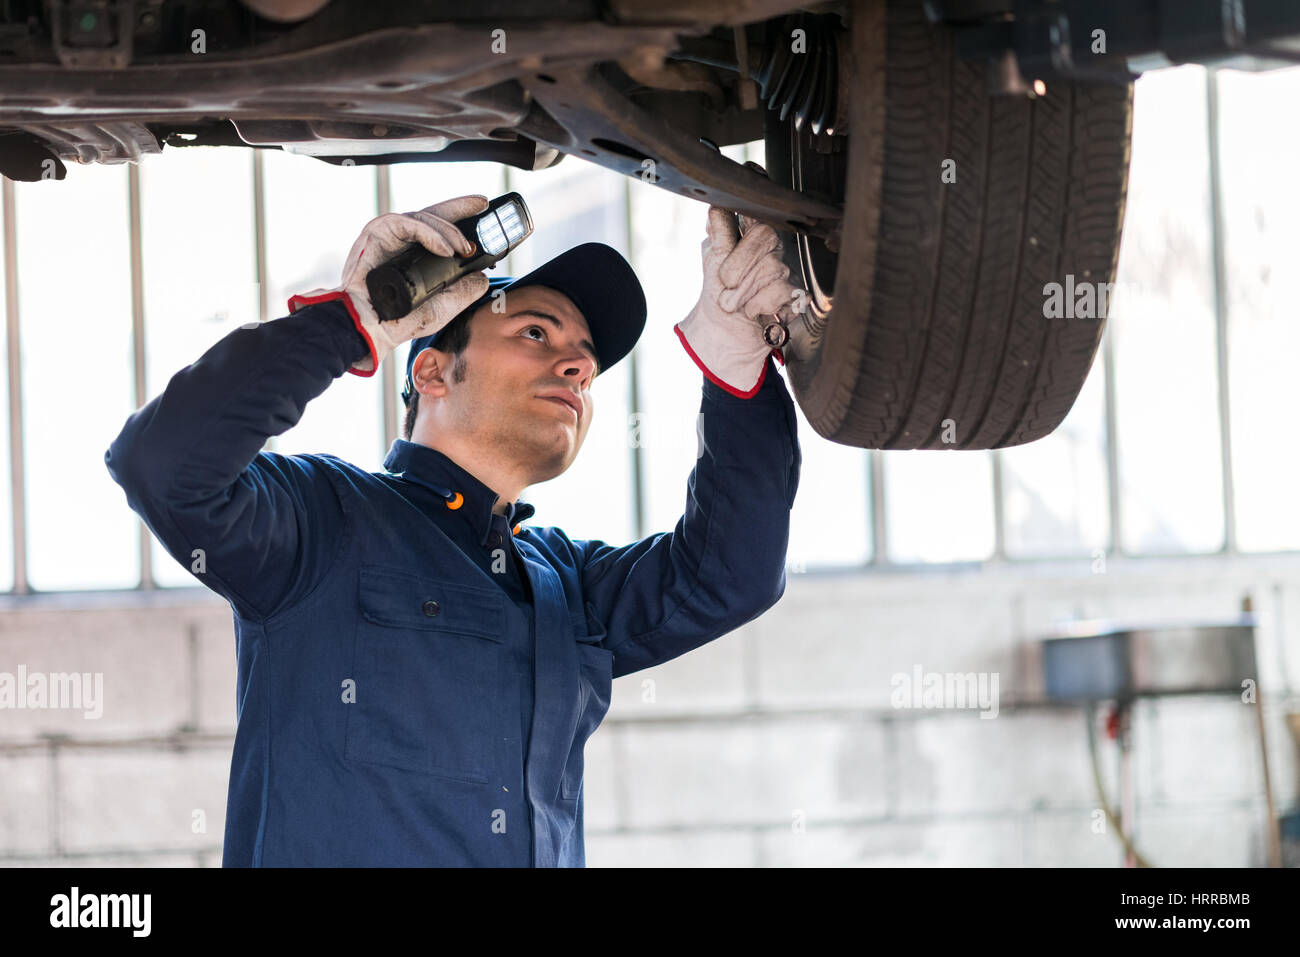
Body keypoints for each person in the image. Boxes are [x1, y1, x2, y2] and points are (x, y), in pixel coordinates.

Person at [105, 193, 803, 867]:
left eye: (584, 362)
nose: (576, 366)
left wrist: (736, 371)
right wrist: (353, 321)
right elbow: (161, 464)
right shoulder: (325, 522)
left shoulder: (568, 589)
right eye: (537, 332)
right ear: (433, 371)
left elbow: (730, 574)